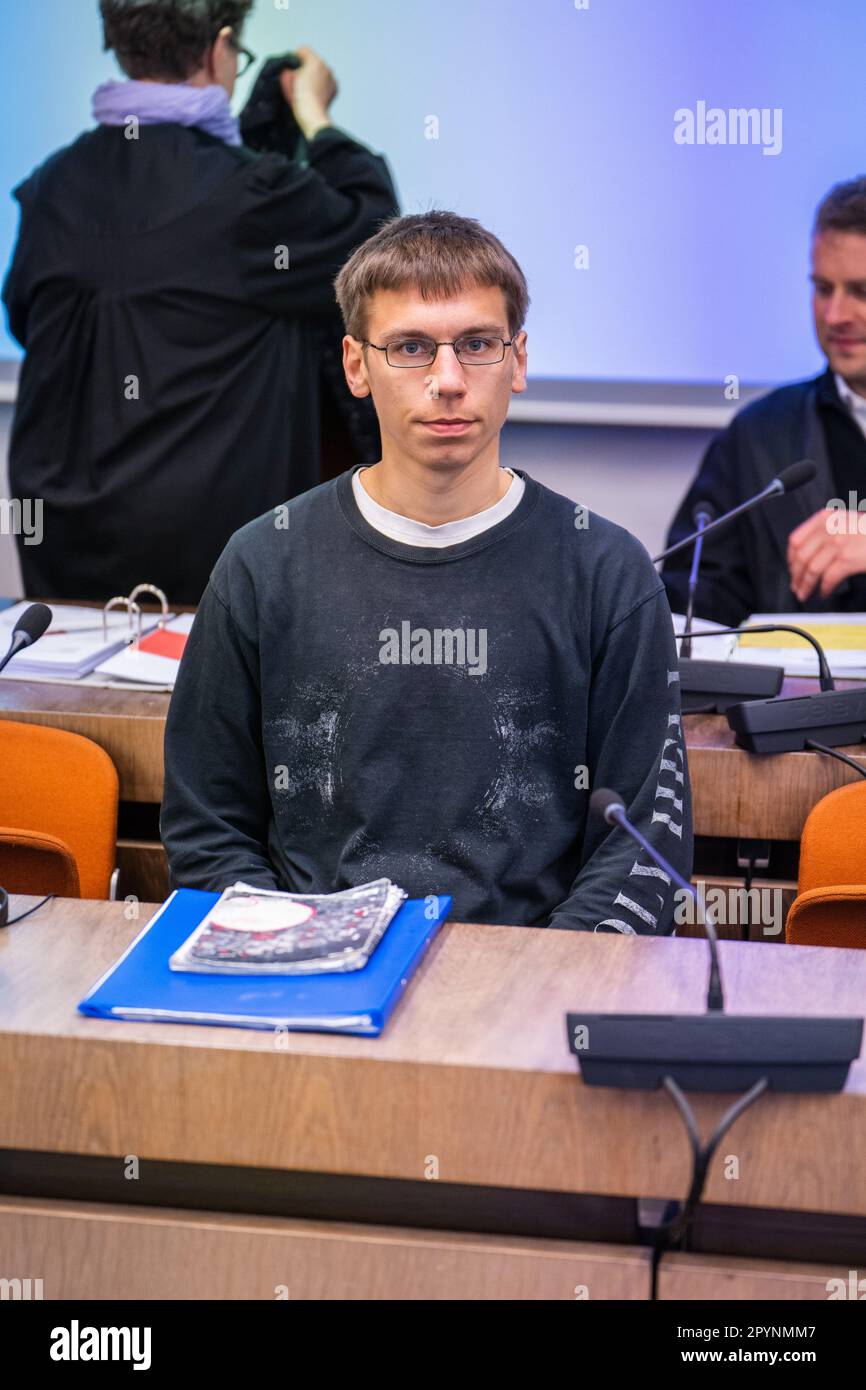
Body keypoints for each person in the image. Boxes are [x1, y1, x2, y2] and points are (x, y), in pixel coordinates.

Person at [160, 211, 693, 934]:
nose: (448, 381)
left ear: (519, 359)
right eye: (411, 347)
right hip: (315, 981)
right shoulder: (262, 564)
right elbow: (207, 827)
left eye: (476, 345)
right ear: (355, 364)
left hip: (531, 994)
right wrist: (298, 952)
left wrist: (535, 990)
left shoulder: (609, 573)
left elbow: (644, 849)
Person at [1, 0, 398, 604]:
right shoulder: (254, 195)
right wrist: (315, 114)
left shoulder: (48, 186)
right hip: (209, 567)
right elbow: (377, 245)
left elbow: (28, 323)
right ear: (218, 49)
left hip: (65, 551)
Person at [662, 176, 866, 626]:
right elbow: (697, 595)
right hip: (801, 695)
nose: (835, 316)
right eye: (822, 288)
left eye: (860, 292)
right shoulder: (759, 434)